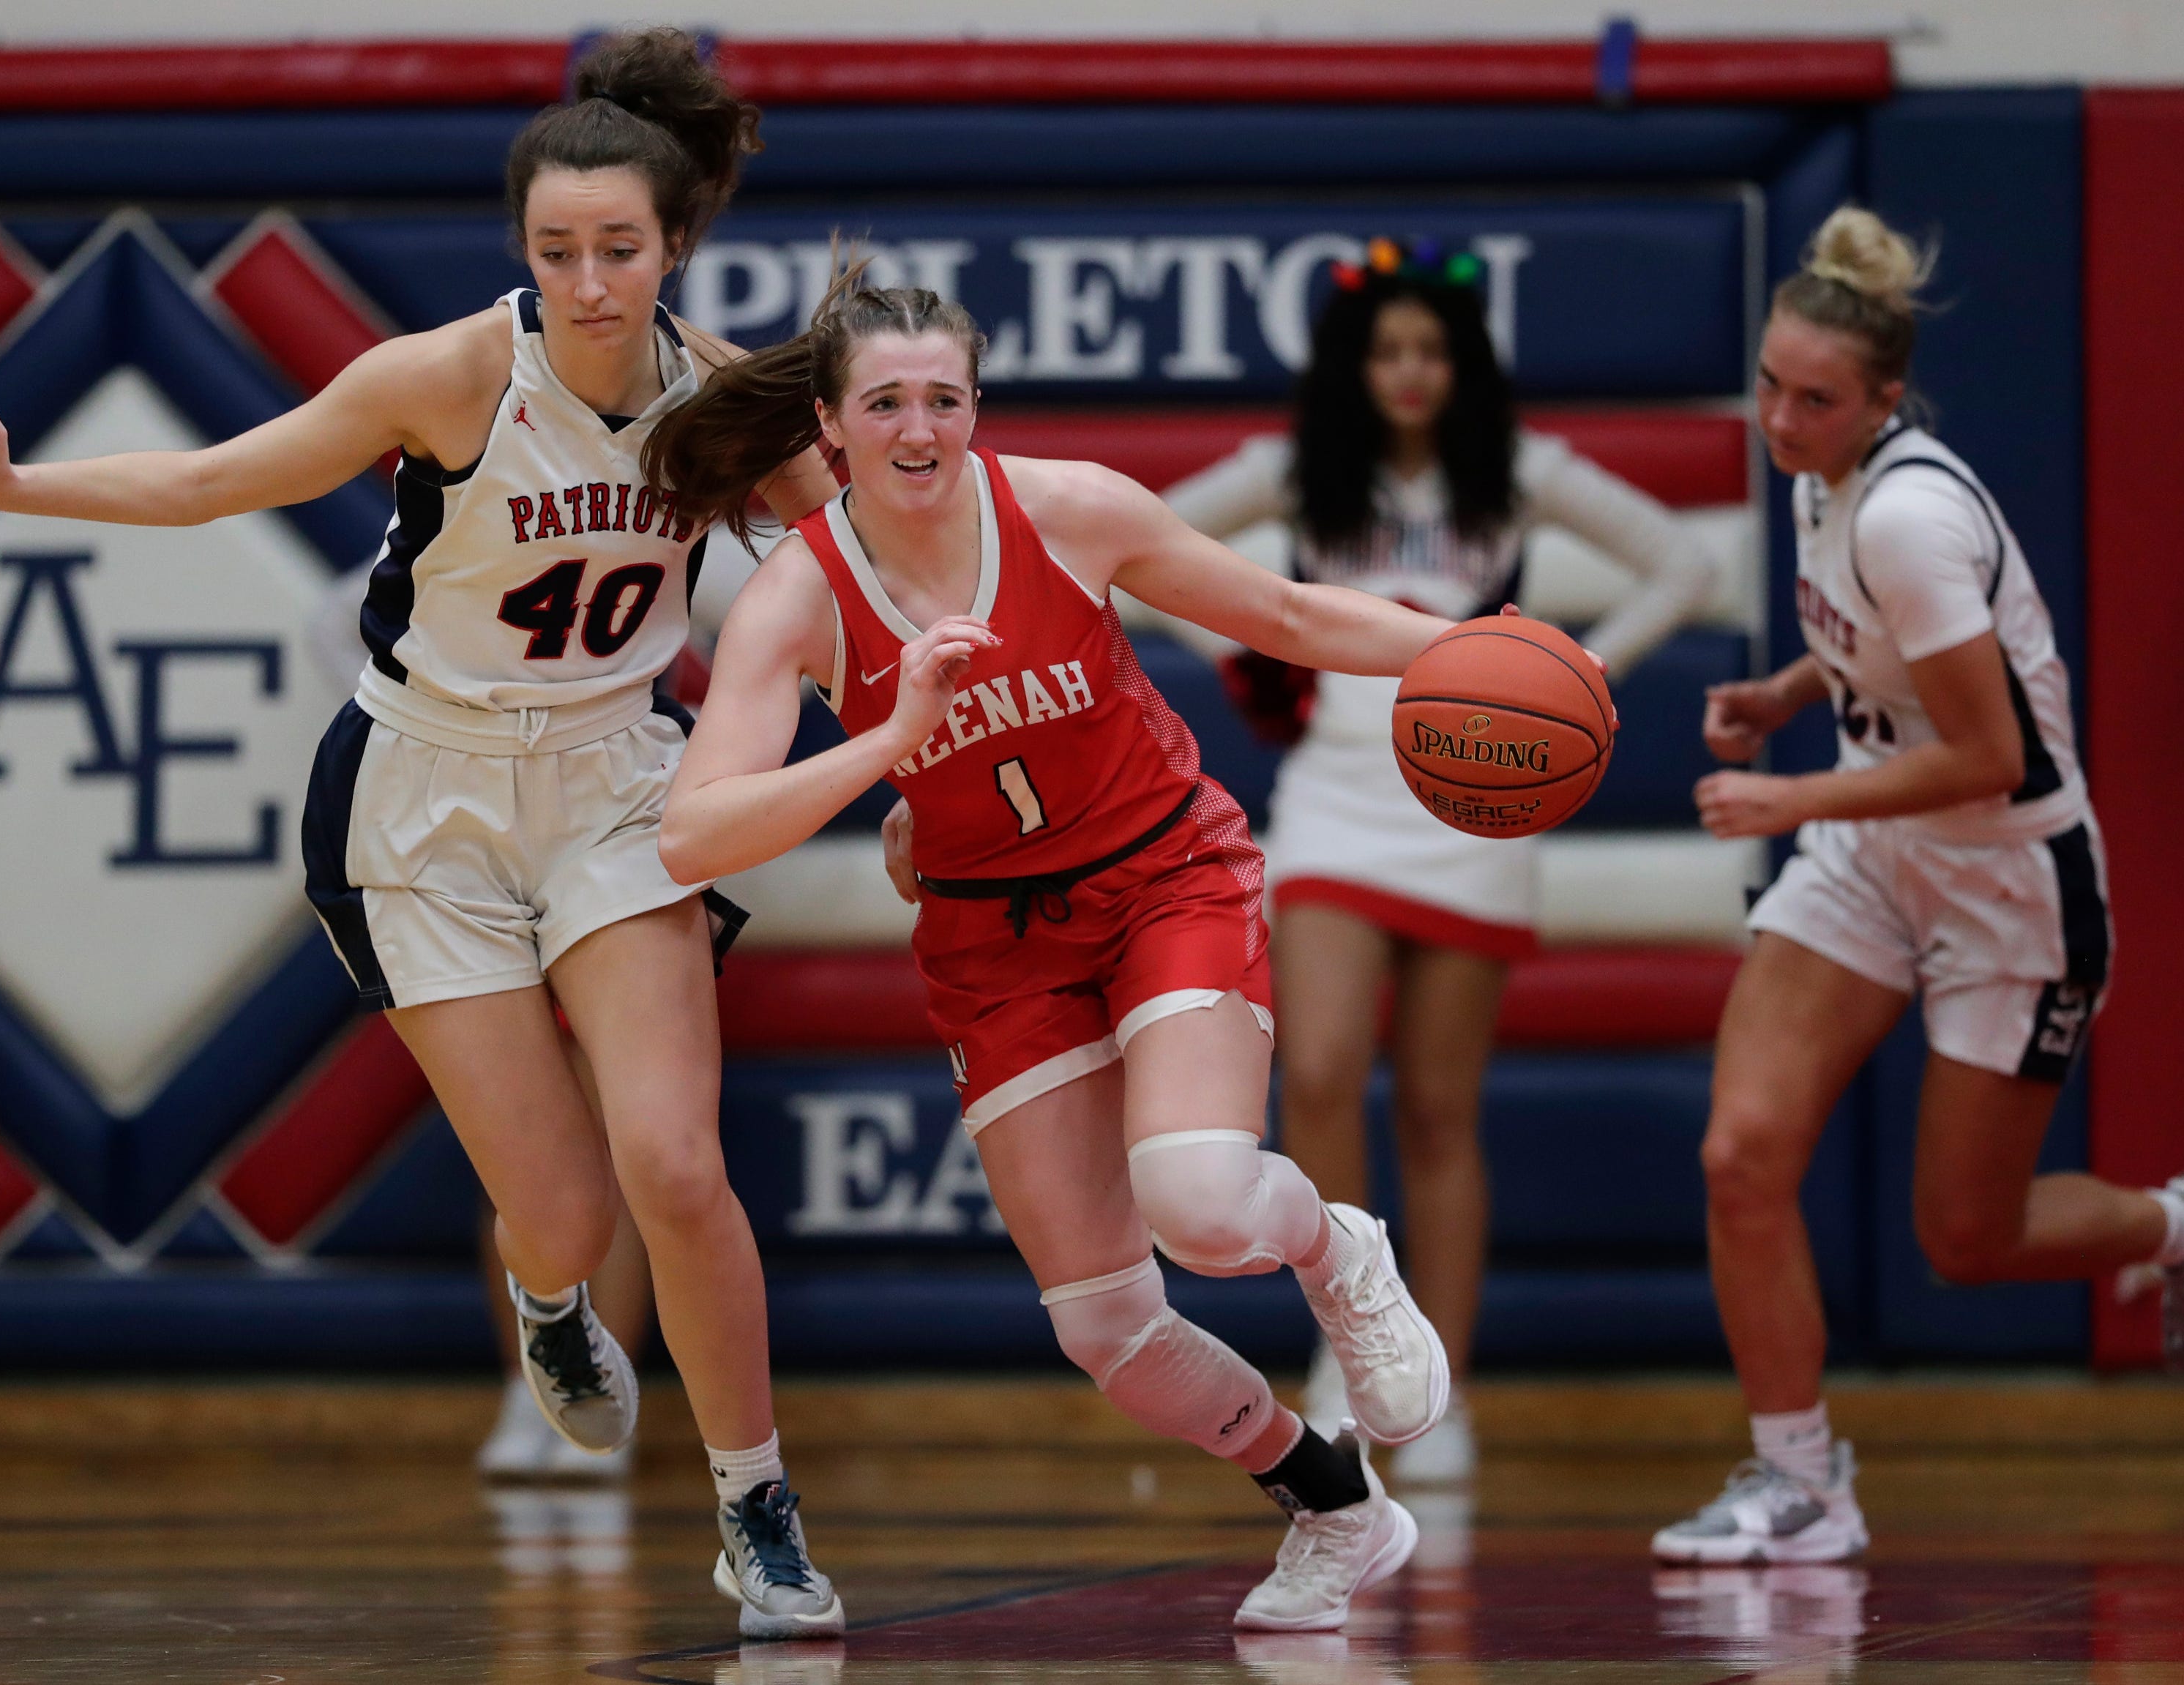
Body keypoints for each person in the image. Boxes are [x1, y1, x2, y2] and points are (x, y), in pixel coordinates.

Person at [0, 29, 849, 1638]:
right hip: (426, 796)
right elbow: (211, 482)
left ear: (672, 242)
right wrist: (10, 484)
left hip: (614, 782)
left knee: (675, 1162)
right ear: (521, 248)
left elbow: (867, 569)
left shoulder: (724, 399)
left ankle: (757, 1508)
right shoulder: (447, 376)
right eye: (555, 250)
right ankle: (549, 1298)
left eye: (618, 248)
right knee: (566, 1215)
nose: (587, 282)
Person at [646, 276, 1585, 1633]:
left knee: (1199, 1198)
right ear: (831, 426)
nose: (919, 428)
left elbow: (1292, 615)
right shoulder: (795, 598)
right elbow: (695, 834)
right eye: (885, 403)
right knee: (1103, 1329)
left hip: (1161, 877)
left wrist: (1479, 652)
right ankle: (1334, 1507)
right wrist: (887, 745)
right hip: (992, 938)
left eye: (944, 398)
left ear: (979, 405)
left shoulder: (1069, 508)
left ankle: (1339, 1248)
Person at [1653, 206, 2184, 1566]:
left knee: (1968, 1238)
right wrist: (1786, 692)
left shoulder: (1911, 515)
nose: (1779, 418)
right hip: (1875, 852)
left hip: (2006, 874)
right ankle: (1800, 1482)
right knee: (1740, 1153)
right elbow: (1878, 645)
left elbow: (1988, 753)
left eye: (1815, 401)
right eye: (1769, 385)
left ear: (1884, 402)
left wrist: (1789, 794)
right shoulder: (1820, 478)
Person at [1162, 239, 1713, 1483]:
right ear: (1353, 364)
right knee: (1315, 1071)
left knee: (1436, 1109)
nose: (1409, 370)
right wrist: (1249, 651)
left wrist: (1572, 679)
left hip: (1475, 812)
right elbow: (1149, 548)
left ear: (1462, 364)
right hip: (1334, 797)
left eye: (1430, 349)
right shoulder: (1296, 468)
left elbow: (1683, 563)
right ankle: (1351, 1353)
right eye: (1387, 349)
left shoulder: (1519, 469)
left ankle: (1438, 1389)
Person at [310, 563, 654, 1483]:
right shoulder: (466, 521)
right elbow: (329, 623)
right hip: (468, 845)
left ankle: (606, 1386)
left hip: (612, 830)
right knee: (522, 1154)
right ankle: (530, 1383)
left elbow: (783, 599)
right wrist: (413, 723)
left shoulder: (660, 507)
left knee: (626, 1149)